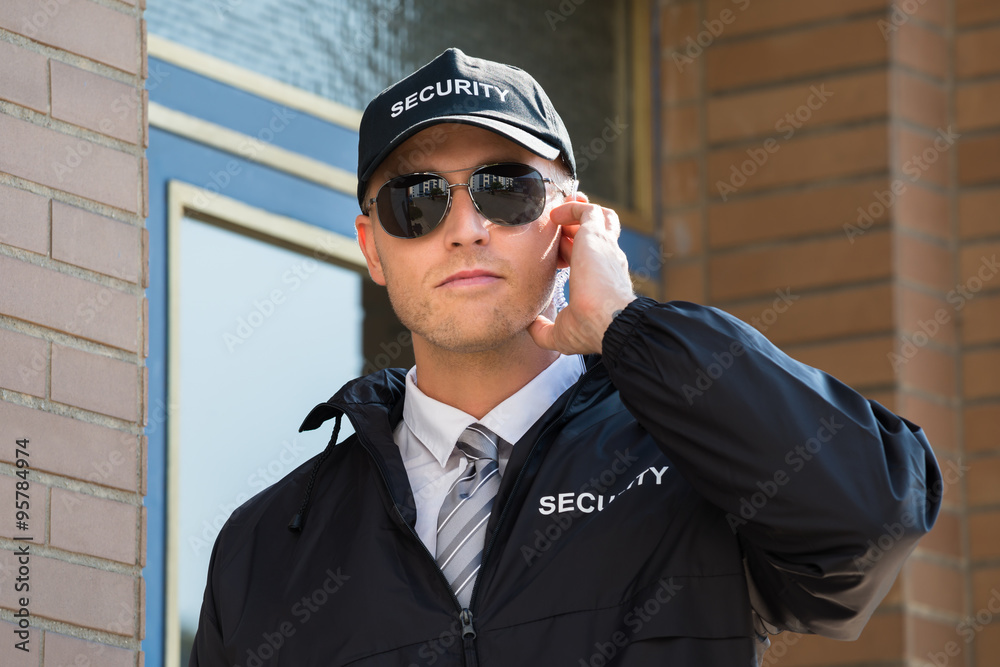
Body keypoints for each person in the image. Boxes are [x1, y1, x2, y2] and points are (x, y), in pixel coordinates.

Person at [189, 48, 941, 666]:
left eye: (506, 189)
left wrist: (628, 327)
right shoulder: (268, 545)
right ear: (371, 248)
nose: (465, 229)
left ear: (575, 221)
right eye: (416, 200)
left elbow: (873, 515)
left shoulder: (692, 460)